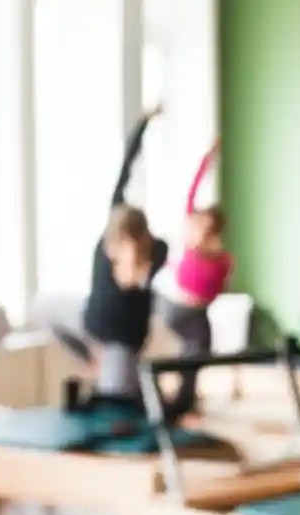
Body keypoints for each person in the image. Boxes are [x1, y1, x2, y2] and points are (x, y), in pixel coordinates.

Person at [46, 105, 169, 405]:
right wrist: (143, 123)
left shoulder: (154, 254)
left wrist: (137, 267)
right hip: (89, 321)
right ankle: (92, 358)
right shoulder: (111, 231)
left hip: (121, 341)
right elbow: (125, 171)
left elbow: (147, 288)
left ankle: (132, 386)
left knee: (117, 397)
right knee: (43, 307)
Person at [155, 139, 234, 416]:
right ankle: (175, 398)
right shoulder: (191, 246)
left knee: (199, 353)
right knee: (188, 354)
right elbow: (191, 194)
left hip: (196, 313)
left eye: (204, 225)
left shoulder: (220, 257)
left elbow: (219, 289)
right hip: (177, 308)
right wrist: (206, 160)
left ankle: (185, 400)